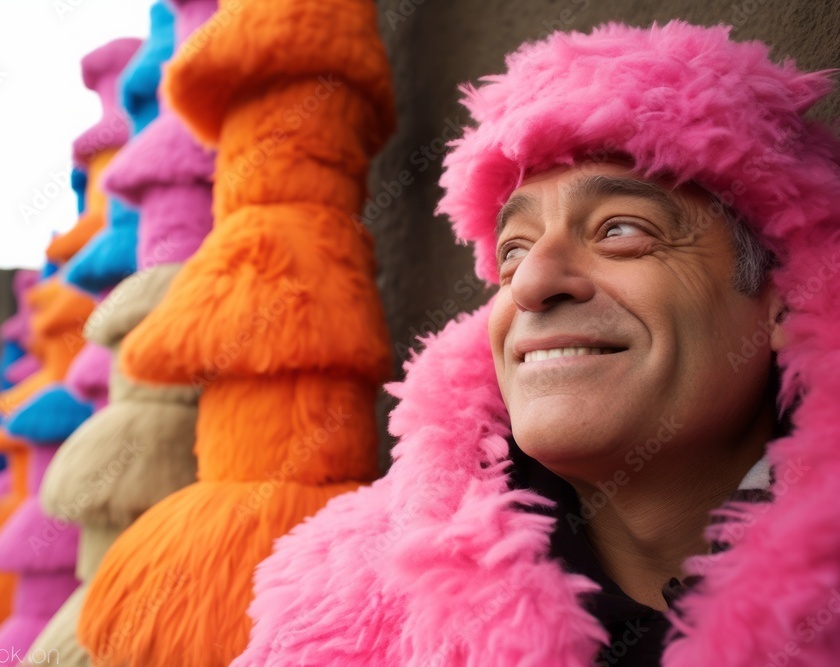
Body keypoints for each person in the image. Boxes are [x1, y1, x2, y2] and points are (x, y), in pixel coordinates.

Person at [232, 21, 840, 667]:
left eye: (619, 230)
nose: (531, 284)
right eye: (512, 250)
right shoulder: (341, 607)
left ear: (782, 295)